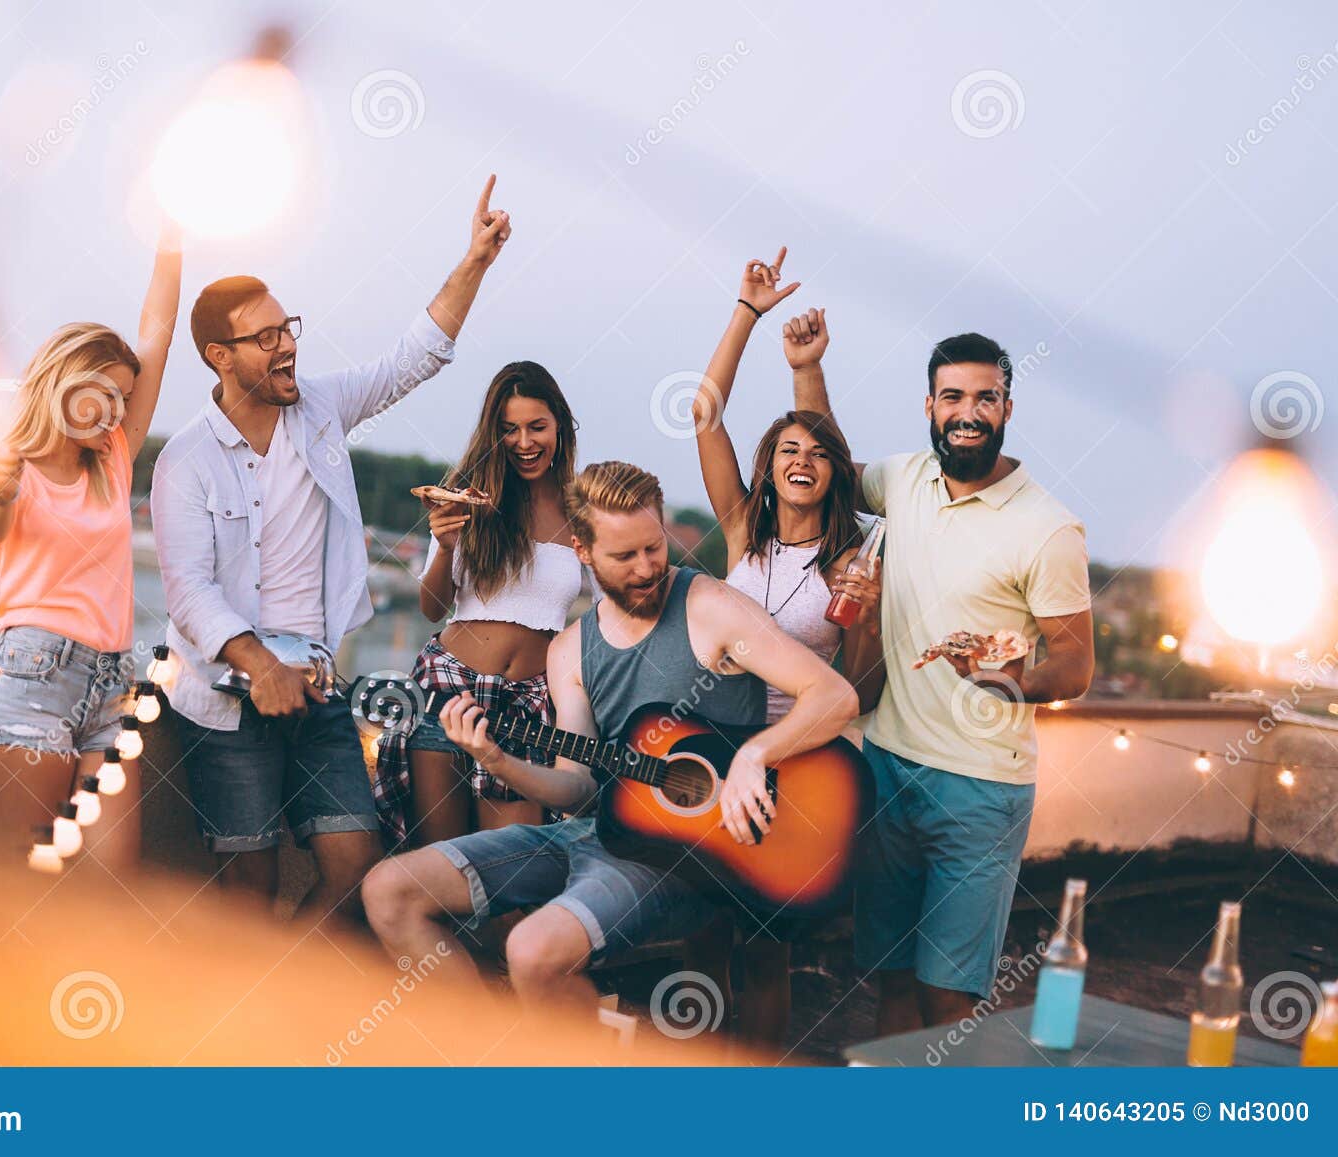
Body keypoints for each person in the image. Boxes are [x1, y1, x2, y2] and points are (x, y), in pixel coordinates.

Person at [361, 461, 860, 1012]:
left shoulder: (713, 608)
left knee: (531, 950)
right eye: (625, 557)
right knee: (390, 891)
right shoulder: (570, 650)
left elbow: (835, 697)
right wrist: (498, 761)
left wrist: (753, 756)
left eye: (654, 546)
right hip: (599, 834)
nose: (648, 568)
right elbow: (578, 788)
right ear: (582, 550)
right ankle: (488, 1057)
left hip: (685, 859)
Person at [152, 175, 512, 926]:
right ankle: (246, 1035)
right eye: (266, 337)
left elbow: (414, 358)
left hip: (316, 691)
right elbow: (187, 590)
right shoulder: (185, 460)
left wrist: (475, 259)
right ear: (221, 355)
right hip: (225, 701)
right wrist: (260, 667)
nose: (287, 347)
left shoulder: (320, 406)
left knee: (356, 871)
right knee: (248, 894)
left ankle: (286, 1009)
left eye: (290, 329)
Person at [791, 330, 1094, 1034]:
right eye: (952, 395)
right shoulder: (904, 479)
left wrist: (1004, 678)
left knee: (949, 997)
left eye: (984, 397)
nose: (968, 411)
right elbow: (823, 460)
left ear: (1007, 408)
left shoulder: (1047, 529)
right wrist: (808, 369)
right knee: (891, 979)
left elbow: (1076, 667)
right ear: (929, 404)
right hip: (888, 766)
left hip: (981, 788)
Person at [682, 249, 886, 1044]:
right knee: (701, 935)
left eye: (819, 453)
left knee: (764, 948)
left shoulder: (853, 565)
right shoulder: (741, 531)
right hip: (709, 750)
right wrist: (747, 311)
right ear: (768, 468)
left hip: (792, 763)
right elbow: (704, 413)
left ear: (835, 473)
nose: (803, 461)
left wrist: (864, 622)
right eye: (788, 451)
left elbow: (861, 690)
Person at [0, 222, 182, 867]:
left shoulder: (111, 459)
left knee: (107, 884)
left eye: (124, 397)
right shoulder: (6, 466)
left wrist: (172, 239)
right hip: (31, 679)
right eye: (105, 395)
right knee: (22, 879)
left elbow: (158, 333)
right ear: (66, 383)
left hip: (114, 688)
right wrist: (1, 491)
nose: (118, 411)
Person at [373, 361, 582, 848]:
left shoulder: (582, 509)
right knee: (439, 863)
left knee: (510, 870)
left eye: (537, 427)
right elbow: (431, 608)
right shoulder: (465, 496)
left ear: (560, 427)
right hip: (448, 690)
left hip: (528, 707)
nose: (524, 442)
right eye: (509, 429)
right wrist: (444, 547)